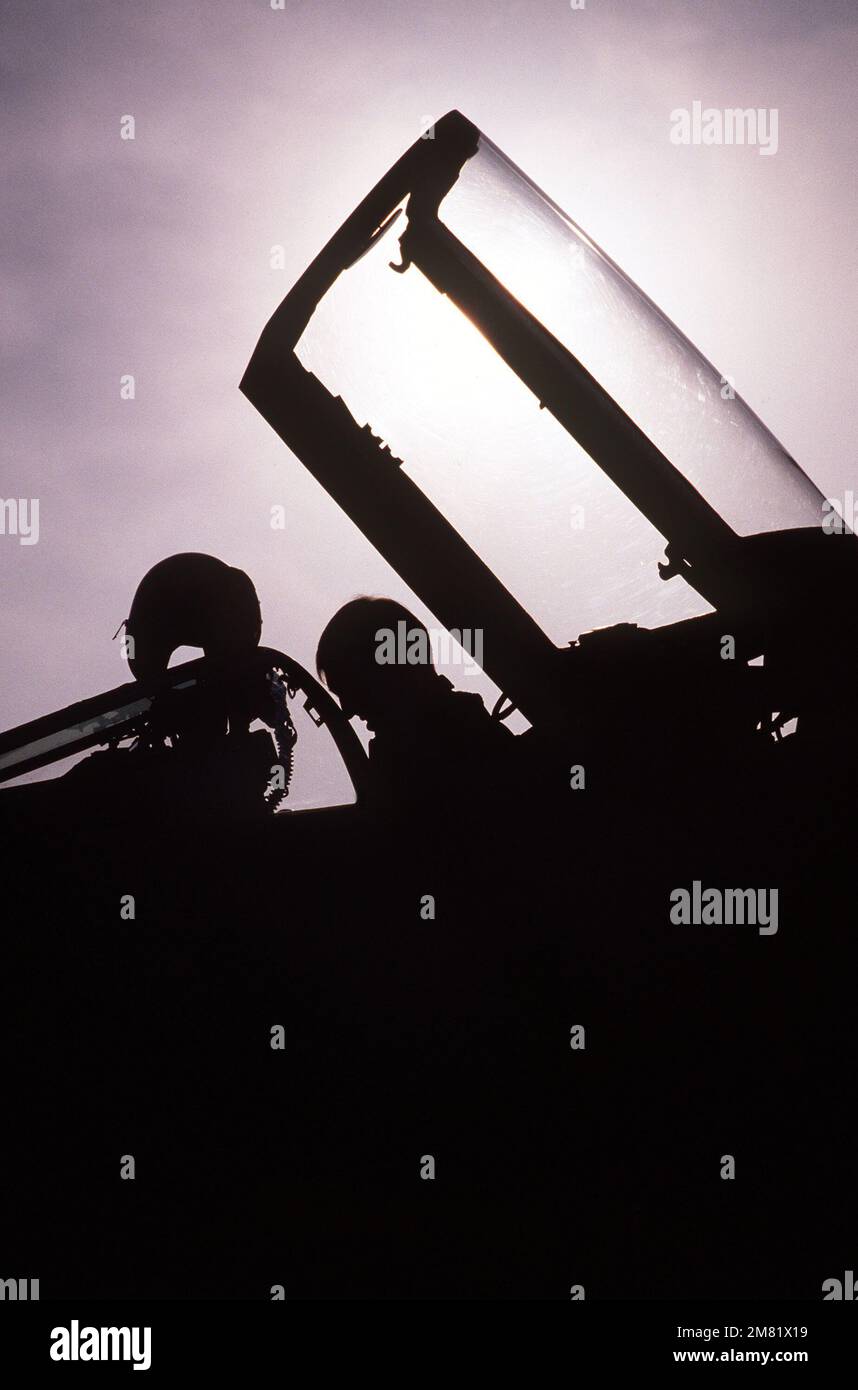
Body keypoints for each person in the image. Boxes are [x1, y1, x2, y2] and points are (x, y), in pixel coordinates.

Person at [315, 596, 514, 813]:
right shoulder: (472, 728)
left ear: (394, 672)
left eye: (353, 690)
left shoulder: (408, 761)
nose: (348, 710)